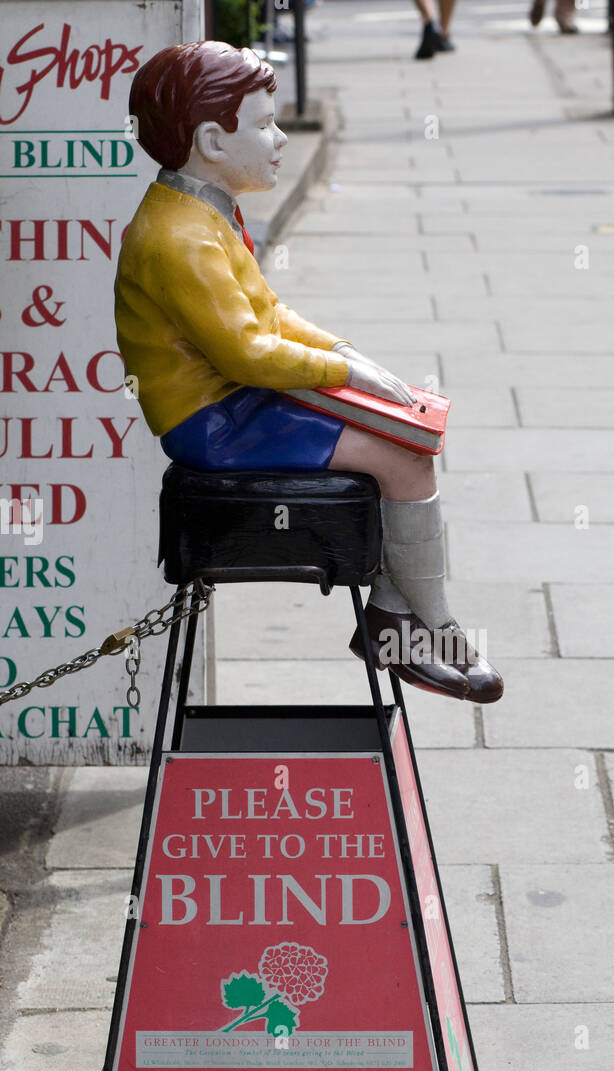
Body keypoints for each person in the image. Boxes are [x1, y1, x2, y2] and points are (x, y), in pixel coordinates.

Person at [115, 41, 502, 703]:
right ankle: (426, 624)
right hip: (214, 422)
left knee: (405, 441)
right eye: (263, 124)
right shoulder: (177, 238)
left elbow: (269, 312)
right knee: (406, 459)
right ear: (211, 138)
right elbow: (249, 353)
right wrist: (340, 374)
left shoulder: (202, 211)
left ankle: (395, 619)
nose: (279, 138)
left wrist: (353, 361)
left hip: (237, 402)